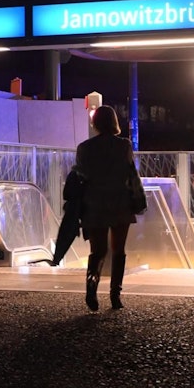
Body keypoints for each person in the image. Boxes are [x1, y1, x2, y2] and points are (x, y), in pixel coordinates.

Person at [74, 105, 137, 311]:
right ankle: (115, 295)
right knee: (118, 250)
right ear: (115, 122)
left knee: (97, 251)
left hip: (94, 204)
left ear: (95, 123)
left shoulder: (84, 148)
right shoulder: (124, 145)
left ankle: (91, 288)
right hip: (120, 202)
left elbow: (81, 176)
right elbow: (129, 172)